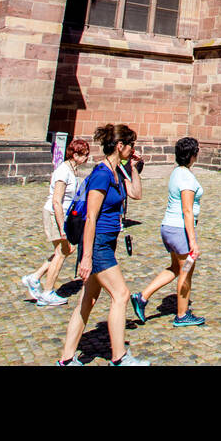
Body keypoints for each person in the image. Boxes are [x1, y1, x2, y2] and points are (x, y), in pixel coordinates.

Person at [57, 124, 148, 365]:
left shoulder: (117, 171)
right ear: (120, 146)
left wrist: (134, 168)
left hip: (107, 242)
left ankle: (66, 359)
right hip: (97, 245)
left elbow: (136, 194)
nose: (133, 149)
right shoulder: (101, 174)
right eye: (132, 146)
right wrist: (86, 257)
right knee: (121, 294)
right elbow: (91, 218)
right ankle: (119, 358)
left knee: (88, 300)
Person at [130, 137, 203, 327]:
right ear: (193, 155)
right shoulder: (186, 177)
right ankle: (182, 314)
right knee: (186, 271)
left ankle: (142, 296)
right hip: (180, 231)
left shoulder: (177, 172)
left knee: (176, 268)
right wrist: (193, 241)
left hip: (169, 228)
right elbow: (187, 210)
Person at [24, 138, 91, 307]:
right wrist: (62, 227)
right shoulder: (63, 172)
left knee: (64, 250)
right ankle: (47, 293)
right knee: (62, 252)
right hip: (55, 214)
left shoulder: (71, 170)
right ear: (75, 154)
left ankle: (34, 278)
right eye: (84, 155)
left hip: (63, 215)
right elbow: (56, 201)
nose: (87, 158)